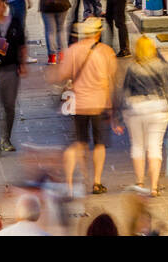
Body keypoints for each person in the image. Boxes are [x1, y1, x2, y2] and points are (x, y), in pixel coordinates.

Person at [49, 16, 117, 195]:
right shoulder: (106, 52)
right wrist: (111, 106)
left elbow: (63, 74)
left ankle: (70, 184)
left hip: (78, 104)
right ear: (98, 33)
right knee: (99, 144)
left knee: (78, 143)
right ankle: (96, 182)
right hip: (99, 104)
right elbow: (110, 80)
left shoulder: (73, 50)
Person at [115, 35, 168, 195]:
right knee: (155, 147)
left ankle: (139, 182)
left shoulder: (132, 67)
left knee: (137, 146)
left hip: (136, 108)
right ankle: (154, 186)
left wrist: (118, 117)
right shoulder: (162, 66)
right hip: (158, 108)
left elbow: (125, 92)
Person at [0, 0, 27, 155]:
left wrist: (22, 64)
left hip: (10, 69)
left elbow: (22, 44)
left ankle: (6, 139)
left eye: (1, 4)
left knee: (9, 106)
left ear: (5, 5)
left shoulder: (14, 22)